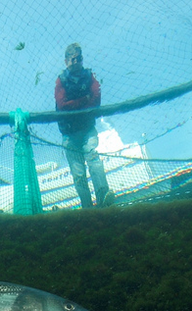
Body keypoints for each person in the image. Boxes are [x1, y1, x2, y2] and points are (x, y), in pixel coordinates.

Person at [55, 43, 114, 208]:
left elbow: (96, 97)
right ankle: (87, 206)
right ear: (66, 61)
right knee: (78, 172)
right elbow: (62, 105)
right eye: (72, 59)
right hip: (69, 134)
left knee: (93, 158)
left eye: (79, 58)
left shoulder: (89, 76)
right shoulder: (61, 80)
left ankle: (103, 198)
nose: (76, 62)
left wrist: (82, 103)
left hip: (87, 129)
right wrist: (84, 101)